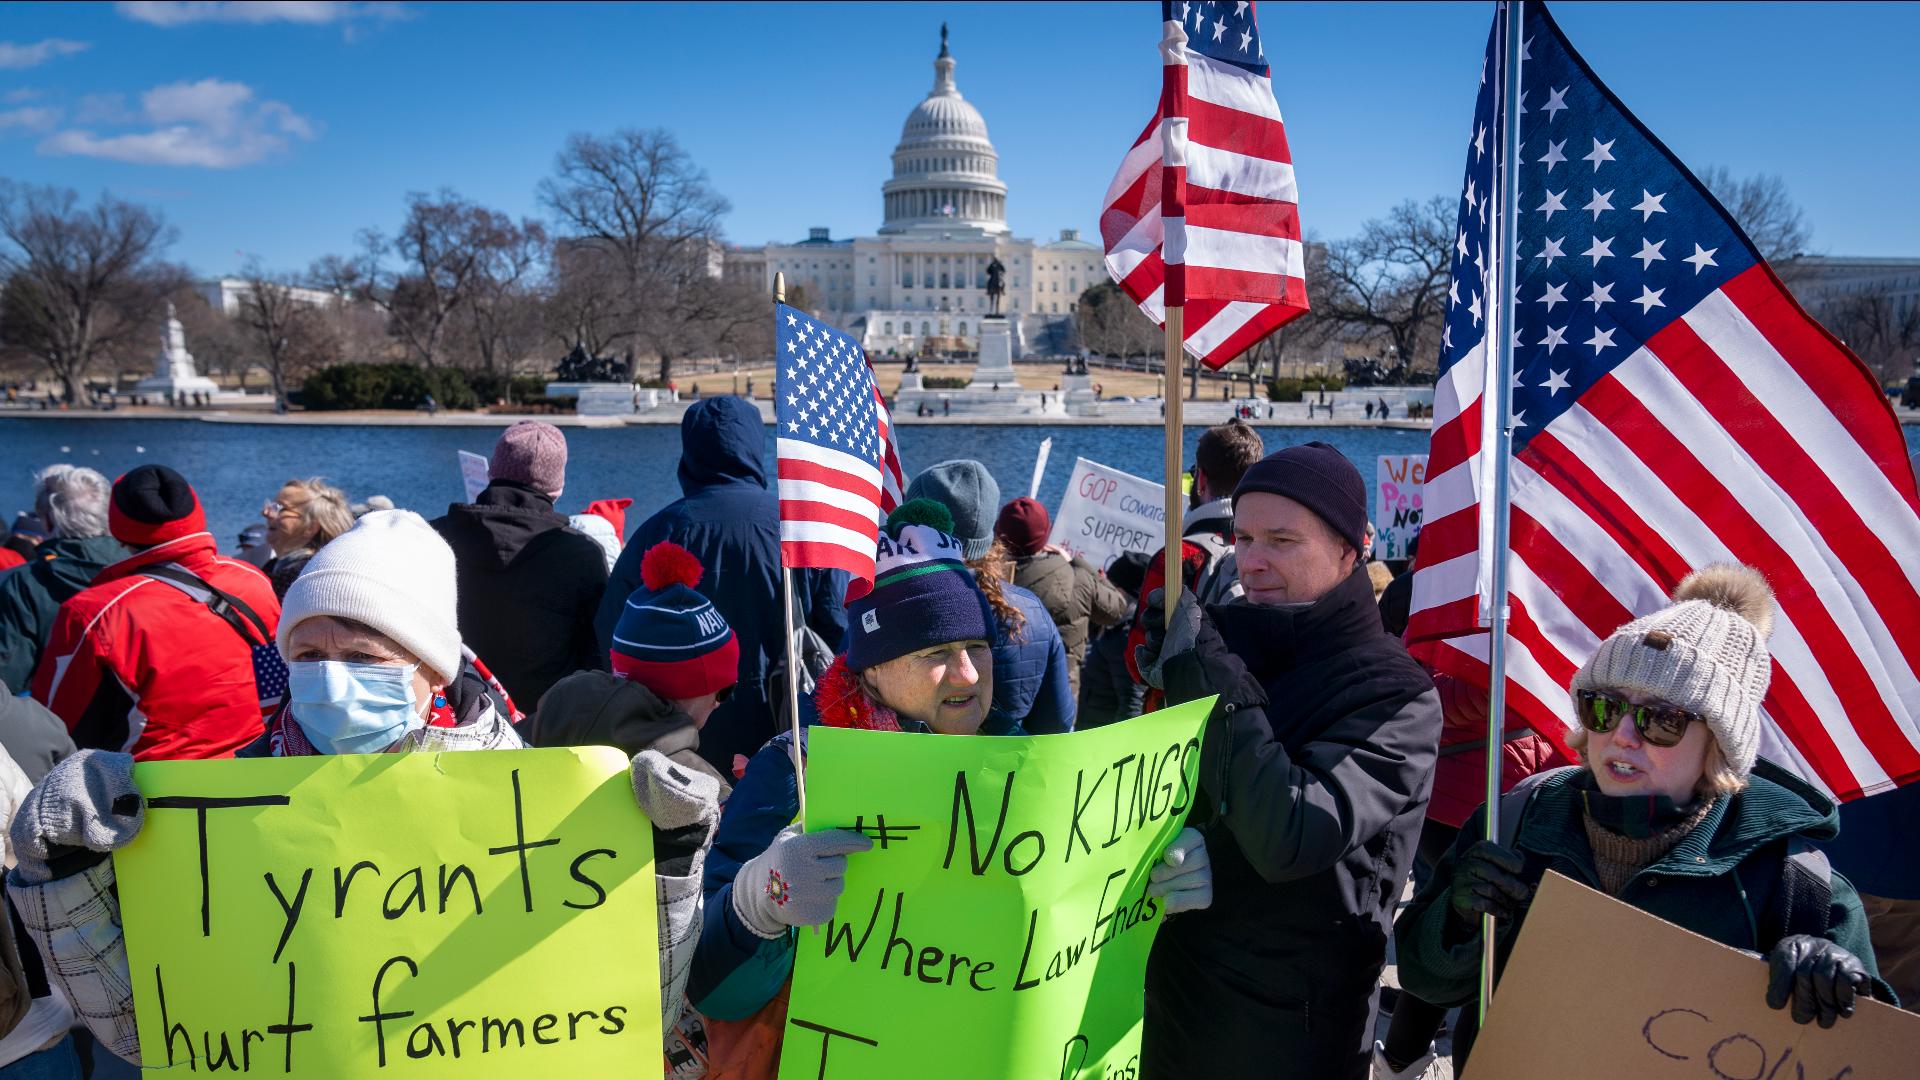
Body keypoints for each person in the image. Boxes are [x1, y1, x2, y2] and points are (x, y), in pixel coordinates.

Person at [4, 509, 722, 1066]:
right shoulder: (224, 812)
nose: (330, 675)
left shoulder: (541, 803)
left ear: (431, 669)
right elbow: (151, 1035)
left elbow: (631, 1021)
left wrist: (669, 862)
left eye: (364, 655)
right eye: (309, 654)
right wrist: (67, 875)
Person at [686, 503, 1213, 1063]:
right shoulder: (798, 772)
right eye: (935, 652)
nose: (966, 673)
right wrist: (759, 903)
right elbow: (711, 986)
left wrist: (1154, 881)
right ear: (873, 670)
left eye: (978, 649)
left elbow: (1077, 952)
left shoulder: (1031, 765)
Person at [1394, 566, 1896, 1076]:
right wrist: (1457, 919)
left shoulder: (1799, 882)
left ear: (1719, 746)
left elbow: (1867, 1057)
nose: (1624, 736)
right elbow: (1422, 980)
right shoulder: (1517, 818)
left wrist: (1841, 987)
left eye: (1662, 719)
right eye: (1604, 708)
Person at [1133, 442, 1442, 1079]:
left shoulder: (1397, 692)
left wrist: (1214, 680)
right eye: (1243, 538)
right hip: (1182, 993)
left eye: (1281, 539)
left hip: (1295, 1026)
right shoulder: (1226, 636)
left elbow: (1292, 833)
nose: (1254, 562)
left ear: (1350, 549)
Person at [595, 398, 846, 776]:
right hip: (784, 731)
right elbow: (837, 625)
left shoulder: (656, 532)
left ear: (689, 452)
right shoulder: (801, 530)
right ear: (755, 447)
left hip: (676, 743)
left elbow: (611, 639)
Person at [33, 465, 282, 761]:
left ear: (118, 527)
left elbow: (51, 725)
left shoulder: (95, 611)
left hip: (151, 790)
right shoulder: (251, 579)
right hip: (256, 771)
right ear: (194, 514)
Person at [531, 541, 737, 795]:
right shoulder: (701, 787)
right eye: (722, 691)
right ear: (683, 689)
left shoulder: (528, 732)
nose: (718, 703)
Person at [431, 421, 609, 708]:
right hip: (548, 726)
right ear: (558, 488)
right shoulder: (581, 554)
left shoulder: (434, 538)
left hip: (453, 715)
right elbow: (598, 657)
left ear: (491, 472)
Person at [906, 461, 1074, 735]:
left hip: (914, 771)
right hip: (1005, 771)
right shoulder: (1030, 609)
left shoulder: (891, 608)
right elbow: (1056, 725)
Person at [1124, 419, 1265, 708]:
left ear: (1200, 479)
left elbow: (1136, 662)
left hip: (1182, 724)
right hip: (1253, 711)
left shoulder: (1178, 557)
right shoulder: (1272, 551)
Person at [0, 466, 125, 692]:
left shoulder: (24, 583)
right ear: (108, 516)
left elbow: (8, 676)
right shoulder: (144, 569)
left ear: (47, 522)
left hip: (53, 717)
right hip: (136, 716)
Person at [993, 496, 1130, 699]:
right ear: (1046, 534)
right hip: (1060, 696)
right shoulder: (1077, 578)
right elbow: (1116, 609)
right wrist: (1078, 563)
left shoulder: (985, 579)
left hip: (1001, 693)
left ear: (999, 535)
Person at [1076, 551, 1150, 730]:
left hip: (1097, 743)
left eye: (1110, 586)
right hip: (1085, 730)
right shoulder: (1109, 624)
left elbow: (1132, 702)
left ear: (1123, 592)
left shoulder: (1126, 637)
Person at [259, 476, 353, 599]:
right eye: (272, 506)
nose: (265, 513)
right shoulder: (273, 567)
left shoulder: (307, 577)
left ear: (311, 527)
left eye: (281, 508)